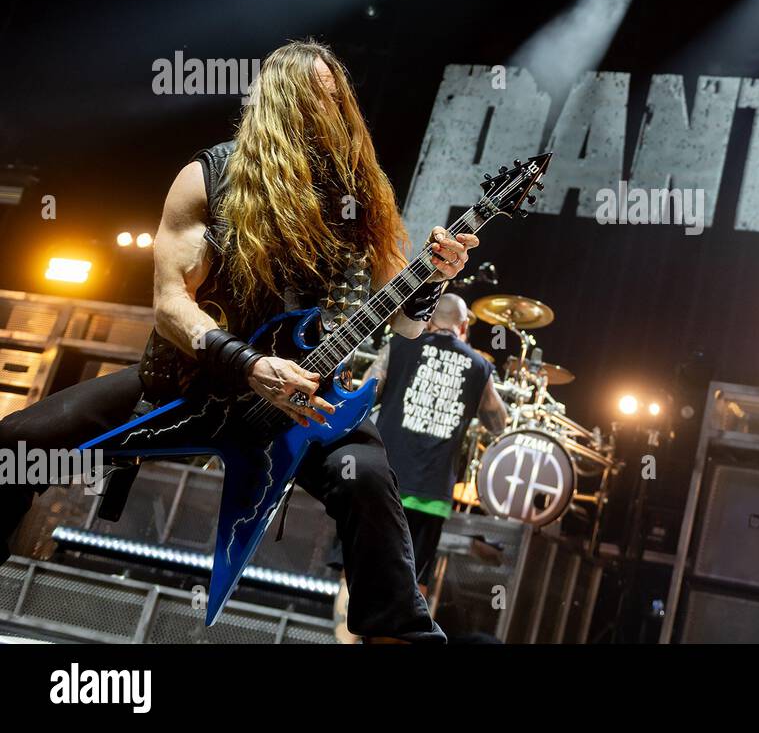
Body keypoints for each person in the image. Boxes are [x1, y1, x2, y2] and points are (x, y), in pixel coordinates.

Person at [0, 39, 477, 643]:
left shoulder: (358, 194)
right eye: (316, 103)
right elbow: (171, 303)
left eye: (339, 103)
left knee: (367, 479)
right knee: (14, 446)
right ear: (279, 105)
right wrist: (249, 365)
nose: (332, 116)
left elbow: (407, 321)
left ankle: (402, 636)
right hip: (193, 383)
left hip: (301, 393)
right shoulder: (212, 176)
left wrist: (433, 275)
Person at [366, 292, 507, 595]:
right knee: (411, 589)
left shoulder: (399, 344)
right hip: (430, 494)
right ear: (465, 325)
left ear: (428, 319)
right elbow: (498, 425)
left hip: (382, 482)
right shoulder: (479, 366)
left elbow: (364, 397)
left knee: (356, 574)